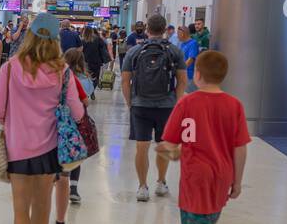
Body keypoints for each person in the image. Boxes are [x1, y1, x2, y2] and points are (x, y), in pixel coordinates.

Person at [0, 13, 84, 224]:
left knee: (20, 208)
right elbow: (77, 113)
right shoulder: (63, 71)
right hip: (50, 150)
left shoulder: (10, 68)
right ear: (55, 39)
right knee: (42, 206)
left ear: (28, 35)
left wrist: (15, 119)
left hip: (17, 148)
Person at [157, 50, 250, 224]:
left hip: (196, 175)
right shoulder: (235, 105)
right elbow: (240, 148)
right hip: (223, 175)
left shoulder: (187, 103)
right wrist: (238, 181)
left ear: (196, 74)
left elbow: (170, 142)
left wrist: (164, 150)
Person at [121, 12, 186, 202]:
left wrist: (130, 103)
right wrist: (176, 100)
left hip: (140, 105)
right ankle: (161, 182)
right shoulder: (174, 51)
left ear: (147, 29)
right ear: (165, 30)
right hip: (166, 106)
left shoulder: (134, 51)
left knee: (142, 147)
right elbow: (182, 80)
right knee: (163, 145)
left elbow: (126, 81)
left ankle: (142, 187)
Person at [52, 47, 92, 219]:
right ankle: (73, 187)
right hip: (75, 121)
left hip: (57, 120)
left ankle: (56, 177)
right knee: (74, 153)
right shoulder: (83, 79)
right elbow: (86, 99)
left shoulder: (59, 75)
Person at [82, 26, 109, 90]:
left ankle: (88, 90)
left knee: (86, 77)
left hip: (85, 62)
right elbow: (103, 48)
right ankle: (92, 90)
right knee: (96, 77)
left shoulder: (82, 40)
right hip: (96, 61)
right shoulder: (97, 39)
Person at [177, 24, 199, 92]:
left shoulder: (193, 43)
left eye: (178, 34)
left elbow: (190, 60)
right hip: (182, 76)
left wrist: (180, 68)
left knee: (189, 96)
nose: (177, 36)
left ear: (182, 34)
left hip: (189, 76)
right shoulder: (182, 44)